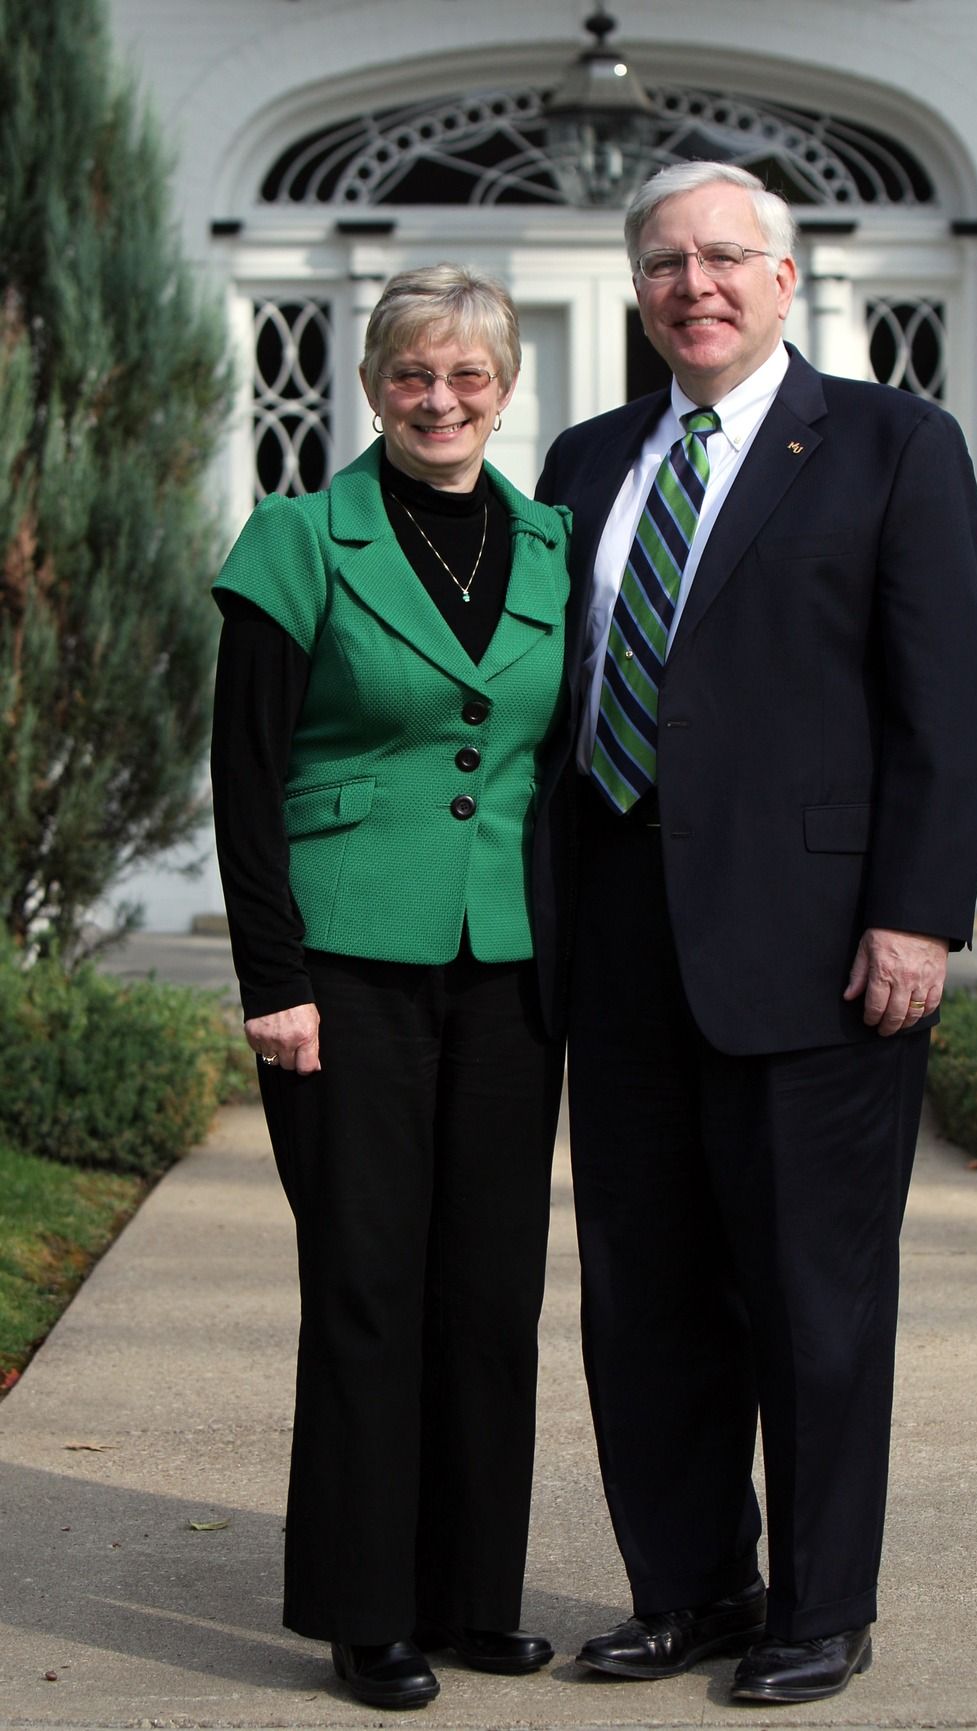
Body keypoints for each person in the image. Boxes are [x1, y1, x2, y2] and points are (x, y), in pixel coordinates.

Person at [532, 162, 977, 1706]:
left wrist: (915, 915)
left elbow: (945, 705)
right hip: (618, 942)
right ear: (636, 287)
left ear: (785, 279)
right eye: (663, 262)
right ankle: (690, 1589)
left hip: (817, 953)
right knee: (647, 1295)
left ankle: (818, 1607)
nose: (695, 285)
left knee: (810, 1301)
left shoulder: (888, 444)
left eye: (725, 257)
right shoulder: (585, 460)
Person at [210, 264, 571, 1710]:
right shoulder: (298, 539)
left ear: (503, 388)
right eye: (412, 375)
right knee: (366, 1281)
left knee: (489, 1288)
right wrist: (271, 978)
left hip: (508, 967)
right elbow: (244, 777)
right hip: (344, 962)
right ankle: (366, 1610)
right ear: (370, 386)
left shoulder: (550, 544)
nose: (440, 400)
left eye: (467, 377)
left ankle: (473, 1593)